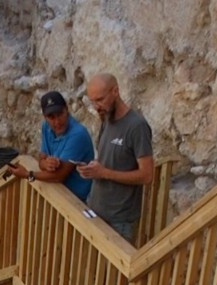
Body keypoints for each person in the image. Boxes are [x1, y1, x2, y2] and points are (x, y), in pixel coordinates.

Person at [77, 73, 155, 244]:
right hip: (96, 210)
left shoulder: (137, 126)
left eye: (100, 100)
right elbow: (109, 160)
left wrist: (104, 173)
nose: (97, 106)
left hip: (119, 220)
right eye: (93, 101)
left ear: (115, 91)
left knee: (112, 271)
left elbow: (147, 175)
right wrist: (93, 169)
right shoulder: (106, 119)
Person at [9, 91, 94, 202]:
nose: (57, 122)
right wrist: (45, 164)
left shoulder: (77, 134)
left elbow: (58, 176)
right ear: (45, 117)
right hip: (59, 194)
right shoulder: (46, 127)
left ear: (66, 110)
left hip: (78, 201)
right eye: (51, 117)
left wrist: (26, 174)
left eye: (60, 114)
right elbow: (42, 159)